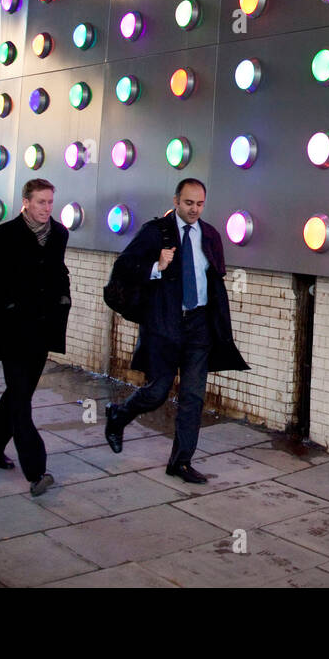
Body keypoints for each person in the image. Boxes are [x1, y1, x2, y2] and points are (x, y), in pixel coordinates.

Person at [104, 178, 248, 482]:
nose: (194, 209)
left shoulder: (210, 235)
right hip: (165, 325)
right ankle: (119, 415)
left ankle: (180, 462)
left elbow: (212, 279)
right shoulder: (156, 232)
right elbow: (124, 267)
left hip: (198, 326)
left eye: (199, 204)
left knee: (193, 396)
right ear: (175, 201)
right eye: (188, 203)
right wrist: (156, 266)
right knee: (157, 392)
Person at [0, 178, 71, 496]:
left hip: (42, 331)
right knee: (20, 401)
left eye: (50, 202)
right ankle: (36, 470)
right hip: (14, 330)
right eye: (41, 202)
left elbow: (59, 273)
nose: (47, 208)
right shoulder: (2, 236)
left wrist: (63, 300)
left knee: (18, 394)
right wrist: (9, 306)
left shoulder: (59, 234)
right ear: (26, 202)